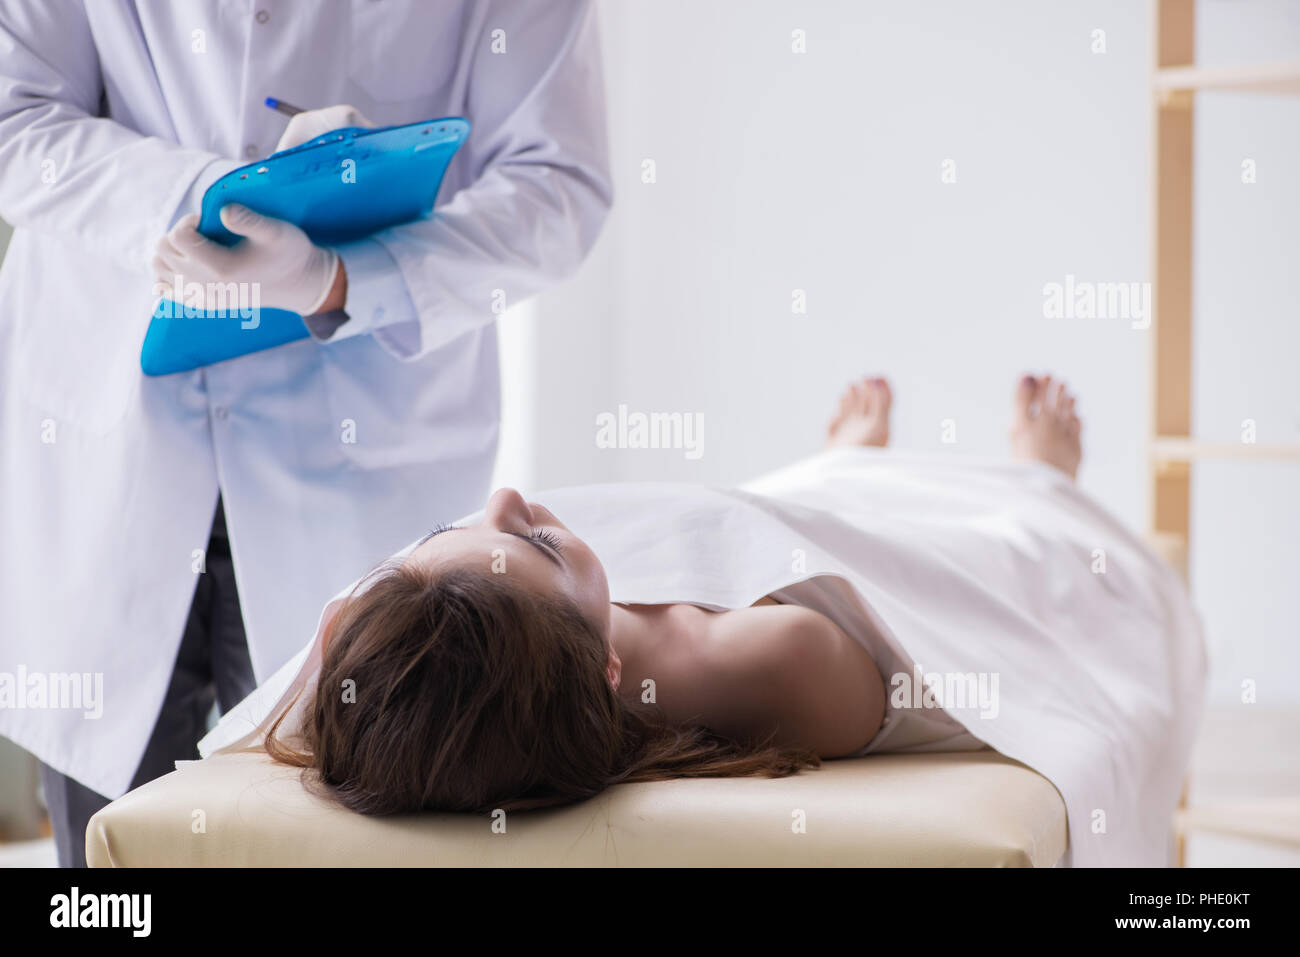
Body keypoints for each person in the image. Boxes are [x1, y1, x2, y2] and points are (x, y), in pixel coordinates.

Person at [0, 1, 611, 866]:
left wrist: (342, 279)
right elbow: (13, 114)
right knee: (110, 877)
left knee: (333, 832)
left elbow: (559, 183)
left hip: (362, 458)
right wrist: (206, 199)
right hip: (109, 432)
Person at [206, 373, 1204, 866]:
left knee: (775, 500)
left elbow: (322, 672)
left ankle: (840, 461)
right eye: (547, 549)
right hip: (877, 563)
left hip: (757, 529)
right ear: (601, 662)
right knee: (988, 534)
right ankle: (1034, 477)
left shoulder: (383, 669)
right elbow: (955, 615)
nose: (507, 496)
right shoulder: (779, 656)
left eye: (450, 531)